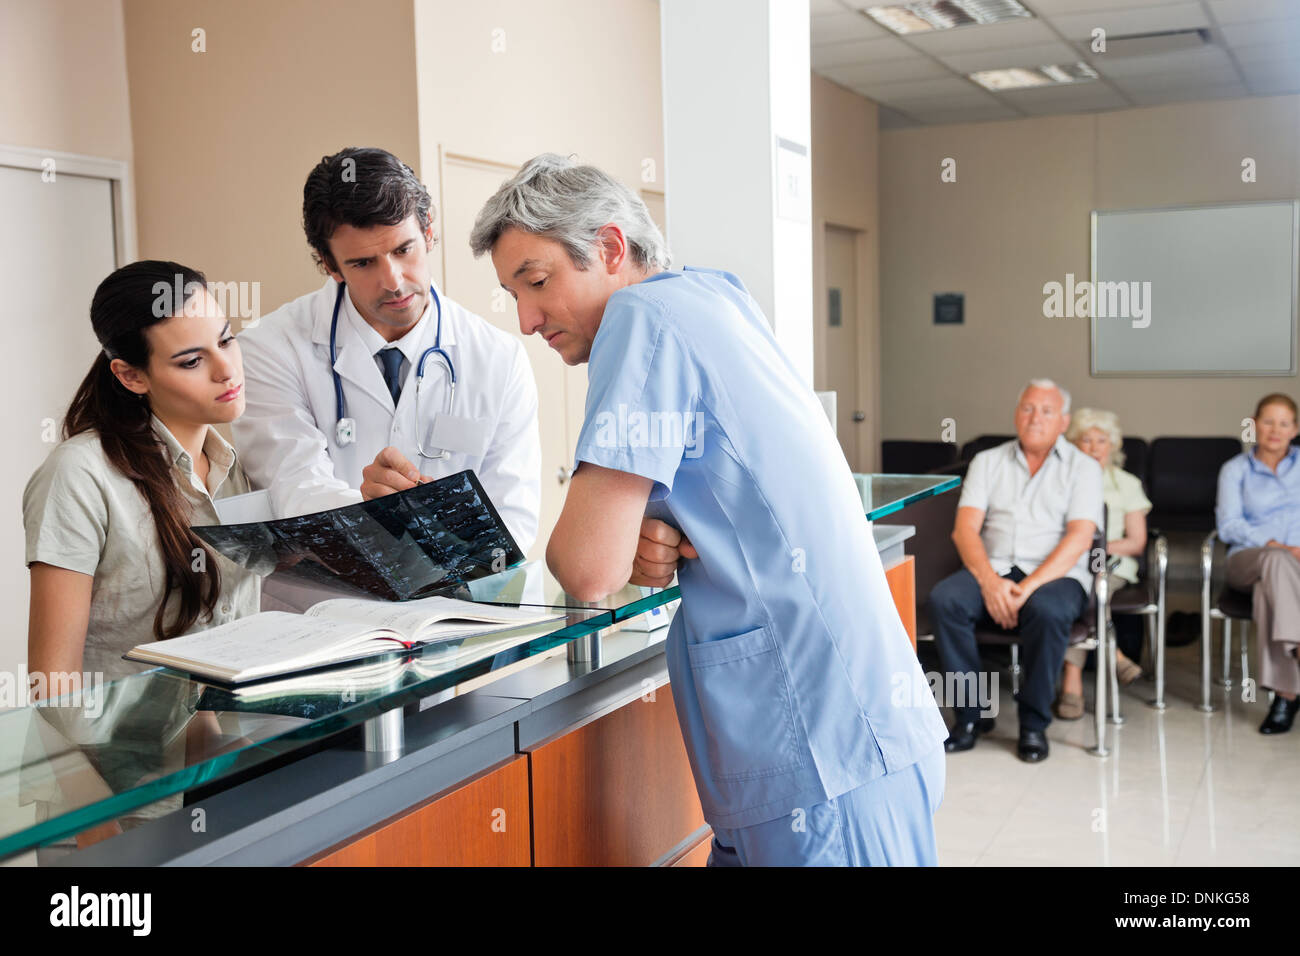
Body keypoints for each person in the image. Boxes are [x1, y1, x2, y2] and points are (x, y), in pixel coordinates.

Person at [470, 154, 948, 867]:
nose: (528, 319)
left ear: (608, 248)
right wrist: (653, 527)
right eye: (512, 294)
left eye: (537, 283)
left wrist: (626, 534)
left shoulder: (639, 319)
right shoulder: (713, 295)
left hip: (821, 759)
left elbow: (585, 567)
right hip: (840, 739)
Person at [22, 260, 262, 853]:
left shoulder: (241, 469)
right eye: (190, 360)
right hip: (107, 800)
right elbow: (52, 679)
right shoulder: (80, 474)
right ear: (130, 376)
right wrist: (95, 824)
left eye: (226, 339)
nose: (226, 369)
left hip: (214, 785)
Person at [233, 147, 541, 551]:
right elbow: (293, 493)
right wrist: (372, 512)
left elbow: (513, 519)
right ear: (329, 264)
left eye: (403, 250)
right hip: (322, 605)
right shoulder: (268, 350)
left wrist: (441, 530)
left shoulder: (499, 358)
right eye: (363, 263)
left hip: (457, 606)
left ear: (428, 230)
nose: (393, 281)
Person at [929, 380, 1102, 762]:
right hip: (994, 567)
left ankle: (1034, 724)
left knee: (1049, 609)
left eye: (1046, 411)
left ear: (1063, 421)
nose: (1035, 418)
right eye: (1027, 408)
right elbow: (965, 530)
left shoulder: (1084, 468)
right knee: (945, 600)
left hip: (1057, 575)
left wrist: (1030, 587)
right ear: (1016, 414)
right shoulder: (987, 461)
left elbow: (1080, 537)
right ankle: (971, 717)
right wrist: (991, 583)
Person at [1055, 408, 1151, 720]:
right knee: (1075, 585)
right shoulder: (1060, 482)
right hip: (1069, 561)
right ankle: (1116, 654)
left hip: (1111, 563)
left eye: (1102, 440)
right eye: (1087, 440)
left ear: (1113, 445)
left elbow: (1136, 541)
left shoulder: (1127, 483)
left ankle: (1072, 684)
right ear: (1073, 444)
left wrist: (1094, 544)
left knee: (1096, 586)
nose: (1095, 447)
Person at [1215, 392, 1300, 734]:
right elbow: (1229, 525)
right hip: (1248, 559)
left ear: (1295, 429)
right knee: (1274, 563)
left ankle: (1286, 693)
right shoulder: (1235, 470)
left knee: (1272, 587)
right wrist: (1274, 545)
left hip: (1292, 566)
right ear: (1253, 425)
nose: (1275, 430)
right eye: (1268, 421)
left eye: (1284, 423)